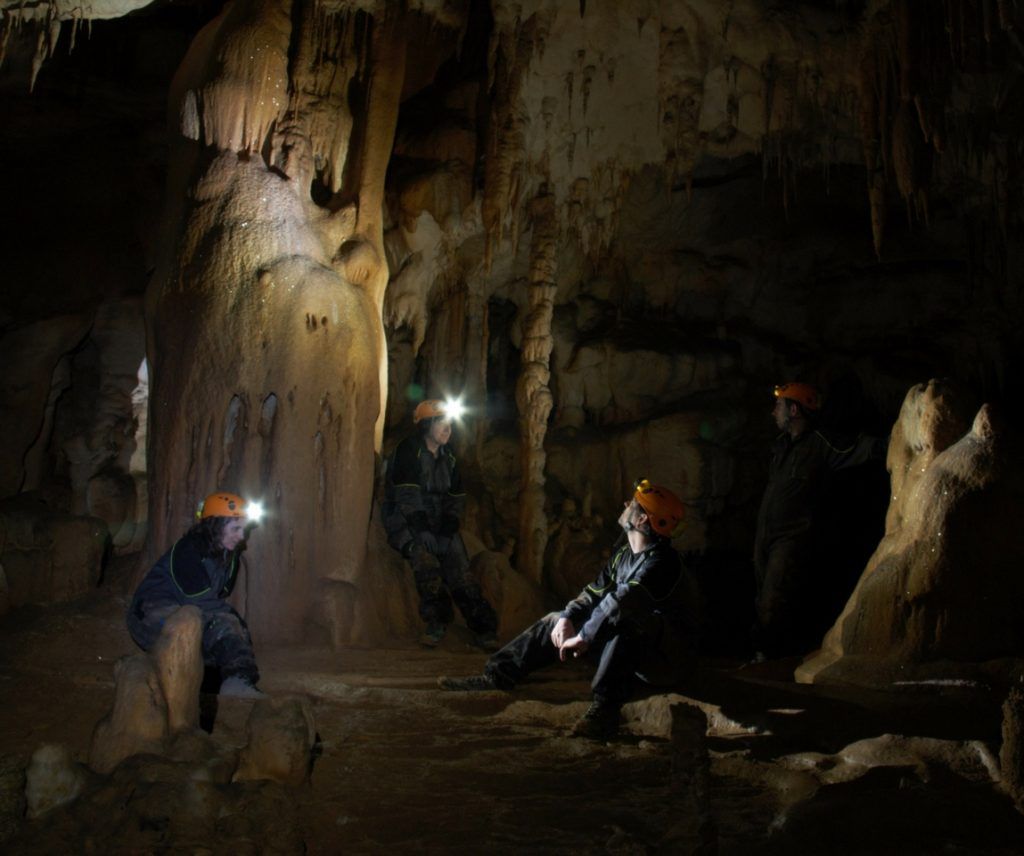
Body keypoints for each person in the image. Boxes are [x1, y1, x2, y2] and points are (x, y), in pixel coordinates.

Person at [438, 479, 698, 740]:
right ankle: (497, 675)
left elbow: (622, 602)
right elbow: (594, 592)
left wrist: (584, 636)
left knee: (628, 622)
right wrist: (567, 618)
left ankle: (604, 713)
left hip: (666, 659)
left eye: (633, 504)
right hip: (635, 649)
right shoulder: (623, 555)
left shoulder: (664, 563)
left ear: (642, 520)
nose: (626, 504)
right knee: (554, 620)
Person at [752, 382, 887, 660]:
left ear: (794, 410)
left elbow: (860, 448)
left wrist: (895, 442)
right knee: (762, 597)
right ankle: (768, 655)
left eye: (779, 406)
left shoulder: (820, 444)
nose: (773, 412)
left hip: (792, 538)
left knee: (774, 601)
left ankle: (771, 659)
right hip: (766, 535)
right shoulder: (781, 447)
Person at [383, 399, 498, 649]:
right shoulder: (408, 450)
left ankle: (484, 628)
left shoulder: (449, 457)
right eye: (442, 424)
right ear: (426, 426)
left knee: (460, 569)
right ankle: (436, 622)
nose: (448, 430)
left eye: (450, 425)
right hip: (406, 521)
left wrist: (447, 531)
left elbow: (456, 498)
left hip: (437, 522)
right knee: (427, 563)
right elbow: (407, 496)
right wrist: (421, 529)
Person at [127, 491, 265, 698]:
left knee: (215, 631)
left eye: (243, 529)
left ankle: (217, 684)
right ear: (216, 525)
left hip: (183, 612)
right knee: (220, 624)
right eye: (236, 528)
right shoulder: (189, 550)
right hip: (149, 613)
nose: (242, 536)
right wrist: (233, 620)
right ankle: (237, 680)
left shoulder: (227, 556)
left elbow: (217, 596)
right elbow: (200, 601)